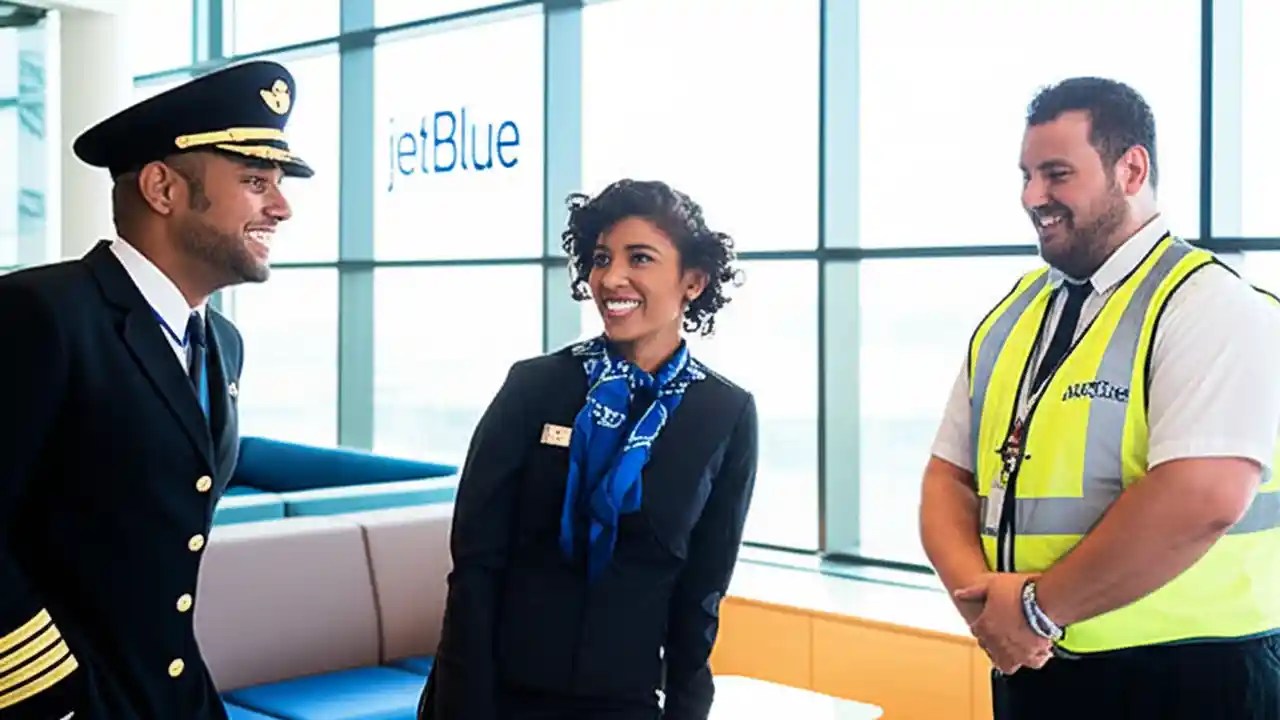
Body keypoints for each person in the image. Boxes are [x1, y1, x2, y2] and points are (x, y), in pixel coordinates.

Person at [918, 75, 1280, 719]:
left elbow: (1204, 496)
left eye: (1056, 174)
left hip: (1195, 675)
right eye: (1026, 175)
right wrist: (987, 608)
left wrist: (1034, 609)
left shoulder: (1208, 304)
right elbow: (949, 477)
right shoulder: (1016, 312)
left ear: (1131, 168)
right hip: (1037, 664)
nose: (1033, 197)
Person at [0, 60, 310, 719]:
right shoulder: (40, 315)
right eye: (256, 182)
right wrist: (51, 699)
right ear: (162, 188)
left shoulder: (223, 346)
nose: (281, 207)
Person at [417, 179, 758, 720]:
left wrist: (688, 712)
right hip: (498, 694)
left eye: (639, 258)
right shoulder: (534, 387)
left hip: (625, 701)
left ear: (692, 281)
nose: (612, 278)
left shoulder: (725, 413)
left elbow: (701, 595)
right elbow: (476, 568)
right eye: (601, 259)